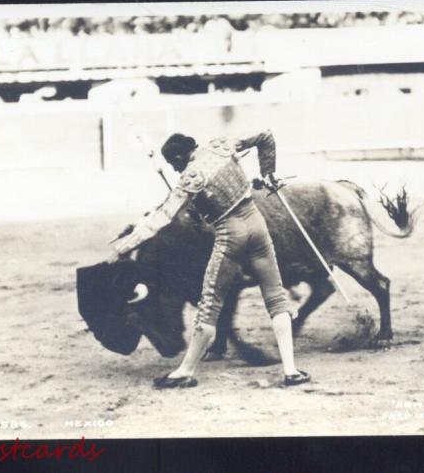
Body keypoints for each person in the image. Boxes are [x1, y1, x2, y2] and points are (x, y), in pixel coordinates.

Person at [104, 131, 311, 389]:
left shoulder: (190, 179)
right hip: (257, 225)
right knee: (275, 298)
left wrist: (123, 248)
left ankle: (184, 371)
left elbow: (161, 218)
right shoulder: (222, 146)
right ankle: (291, 371)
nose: (175, 169)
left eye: (173, 163)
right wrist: (269, 175)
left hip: (231, 235)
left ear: (180, 156)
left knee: (210, 304)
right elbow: (267, 137)